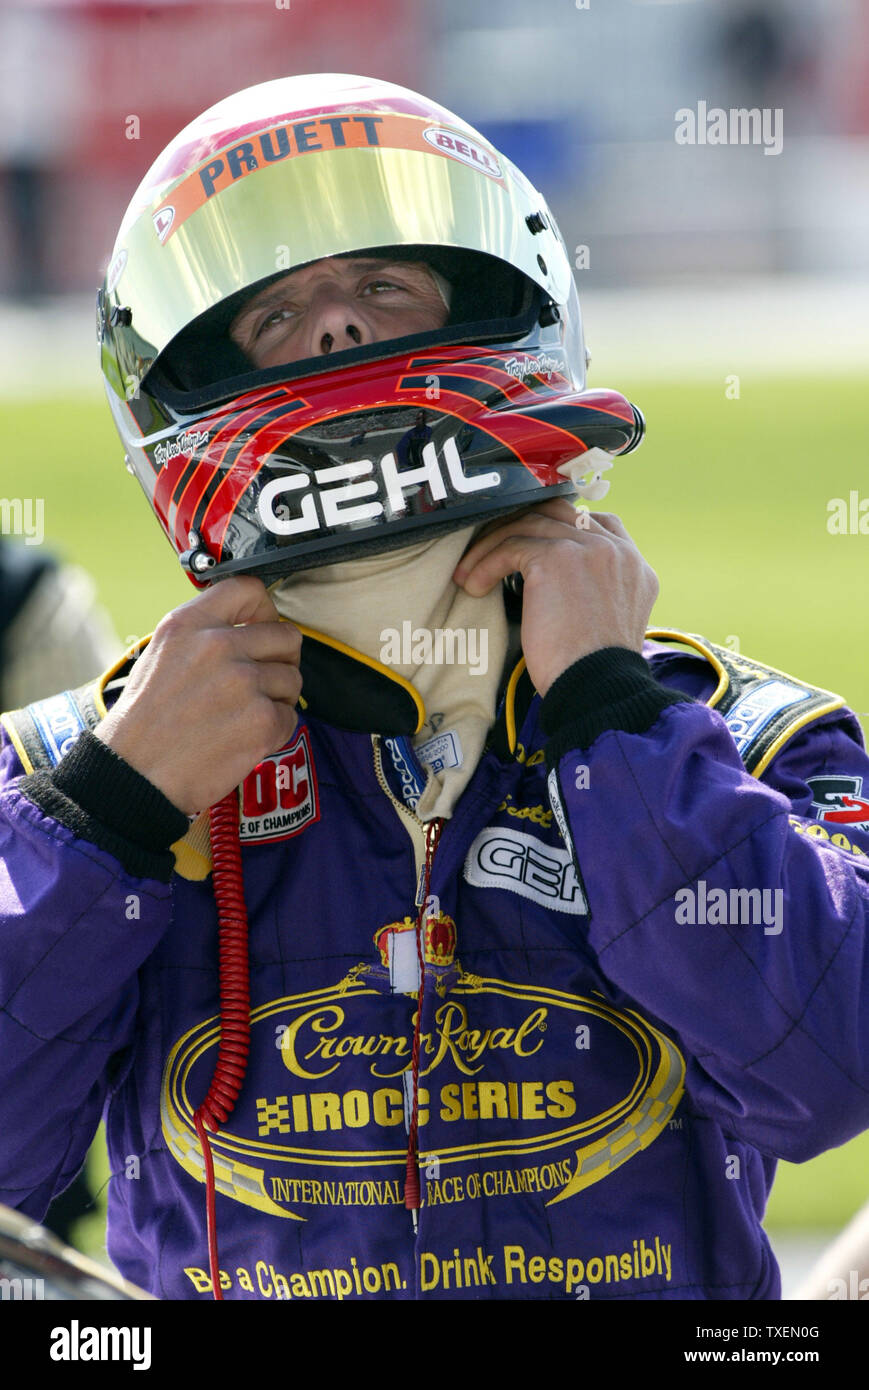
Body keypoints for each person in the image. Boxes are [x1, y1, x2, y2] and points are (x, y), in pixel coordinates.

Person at [2, 73, 869, 1304]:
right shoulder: (76, 769)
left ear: (500, 305)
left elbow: (825, 1073)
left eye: (379, 286)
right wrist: (111, 816)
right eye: (279, 311)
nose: (340, 332)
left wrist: (612, 719)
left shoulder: (742, 736)